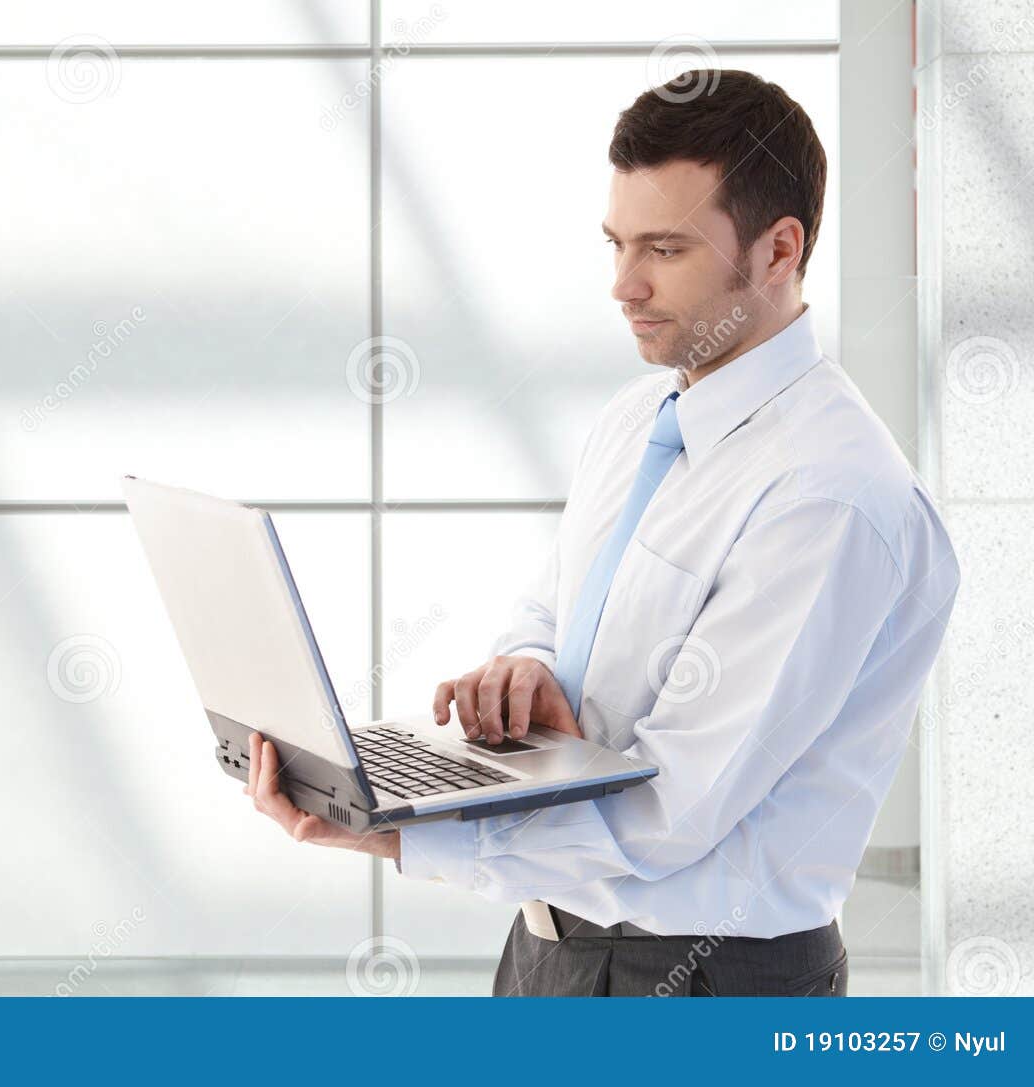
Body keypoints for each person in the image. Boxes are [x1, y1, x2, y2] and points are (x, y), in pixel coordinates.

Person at [245, 69, 959, 997]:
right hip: (550, 945)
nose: (624, 284)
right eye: (617, 243)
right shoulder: (640, 419)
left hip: (705, 982)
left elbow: (669, 812)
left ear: (780, 249)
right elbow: (551, 607)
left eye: (665, 248)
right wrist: (524, 668)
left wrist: (393, 828)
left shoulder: (829, 495)